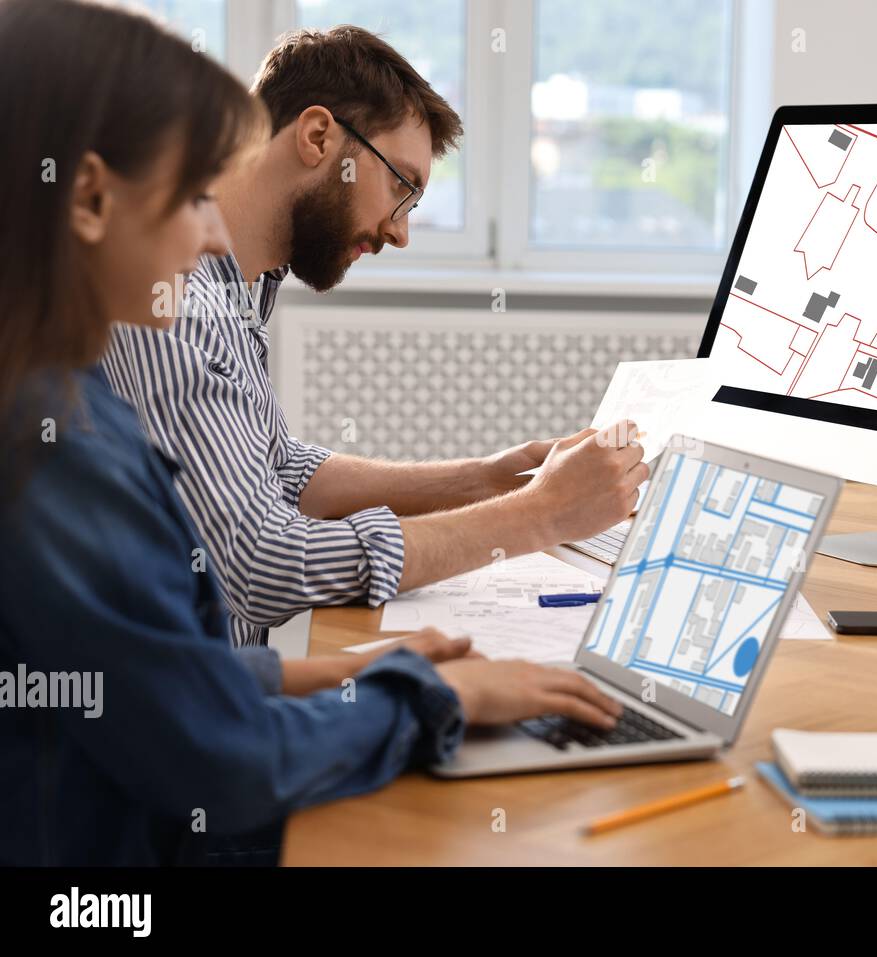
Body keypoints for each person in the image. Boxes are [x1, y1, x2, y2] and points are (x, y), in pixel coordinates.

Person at [0, 0, 620, 867]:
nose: (212, 227)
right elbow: (226, 714)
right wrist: (426, 690)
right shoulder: (68, 435)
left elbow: (159, 668)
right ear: (95, 198)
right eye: (191, 191)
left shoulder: (69, 394)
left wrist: (494, 485)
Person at [100, 24, 647, 648]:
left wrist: (489, 478)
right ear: (317, 136)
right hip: (199, 718)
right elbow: (261, 566)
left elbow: (279, 468)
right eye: (401, 187)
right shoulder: (175, 303)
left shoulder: (238, 286)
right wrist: (539, 514)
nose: (400, 232)